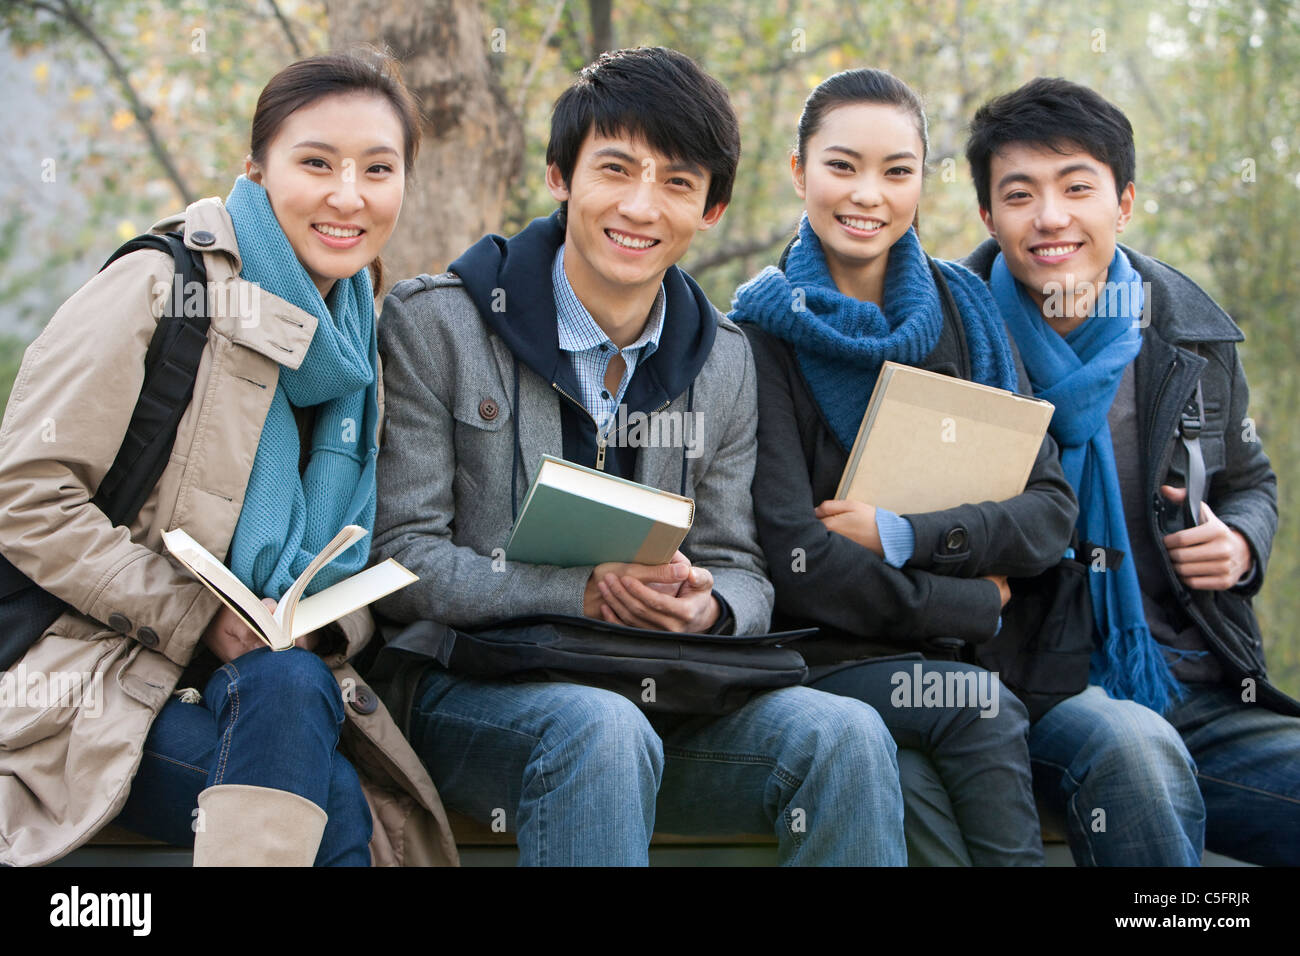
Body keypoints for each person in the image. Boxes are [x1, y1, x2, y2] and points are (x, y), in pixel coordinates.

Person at [368, 47, 906, 866]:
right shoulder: (436, 324)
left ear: (712, 209)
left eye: (678, 183)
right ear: (560, 175)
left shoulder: (725, 361)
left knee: (846, 733)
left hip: (662, 699)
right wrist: (577, 591)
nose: (641, 207)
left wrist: (710, 608)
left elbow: (740, 565)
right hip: (468, 697)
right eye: (615, 169)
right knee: (600, 729)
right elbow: (399, 557)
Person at [0, 49, 456, 867]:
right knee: (337, 807)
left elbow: (351, 568)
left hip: (270, 687)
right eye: (316, 162)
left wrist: (316, 626)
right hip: (88, 679)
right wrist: (197, 614)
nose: (348, 195)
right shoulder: (157, 286)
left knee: (292, 682)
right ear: (256, 168)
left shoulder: (359, 347)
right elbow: (24, 496)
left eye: (377, 169)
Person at [730, 69, 1076, 866]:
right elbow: (796, 557)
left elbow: (1050, 513)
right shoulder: (757, 337)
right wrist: (963, 603)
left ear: (923, 180)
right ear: (798, 172)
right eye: (842, 166)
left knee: (938, 780)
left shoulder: (968, 311)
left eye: (897, 171)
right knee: (976, 712)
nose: (868, 195)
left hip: (957, 666)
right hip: (818, 666)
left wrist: (901, 533)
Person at [963, 76, 1300, 866]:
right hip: (1038, 692)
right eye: (1020, 194)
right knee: (1135, 752)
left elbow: (1252, 480)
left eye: (1077, 187)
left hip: (1198, 685)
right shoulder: (954, 345)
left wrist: (1241, 543)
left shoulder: (1188, 337)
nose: (1051, 218)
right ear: (987, 214)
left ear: (1124, 201)